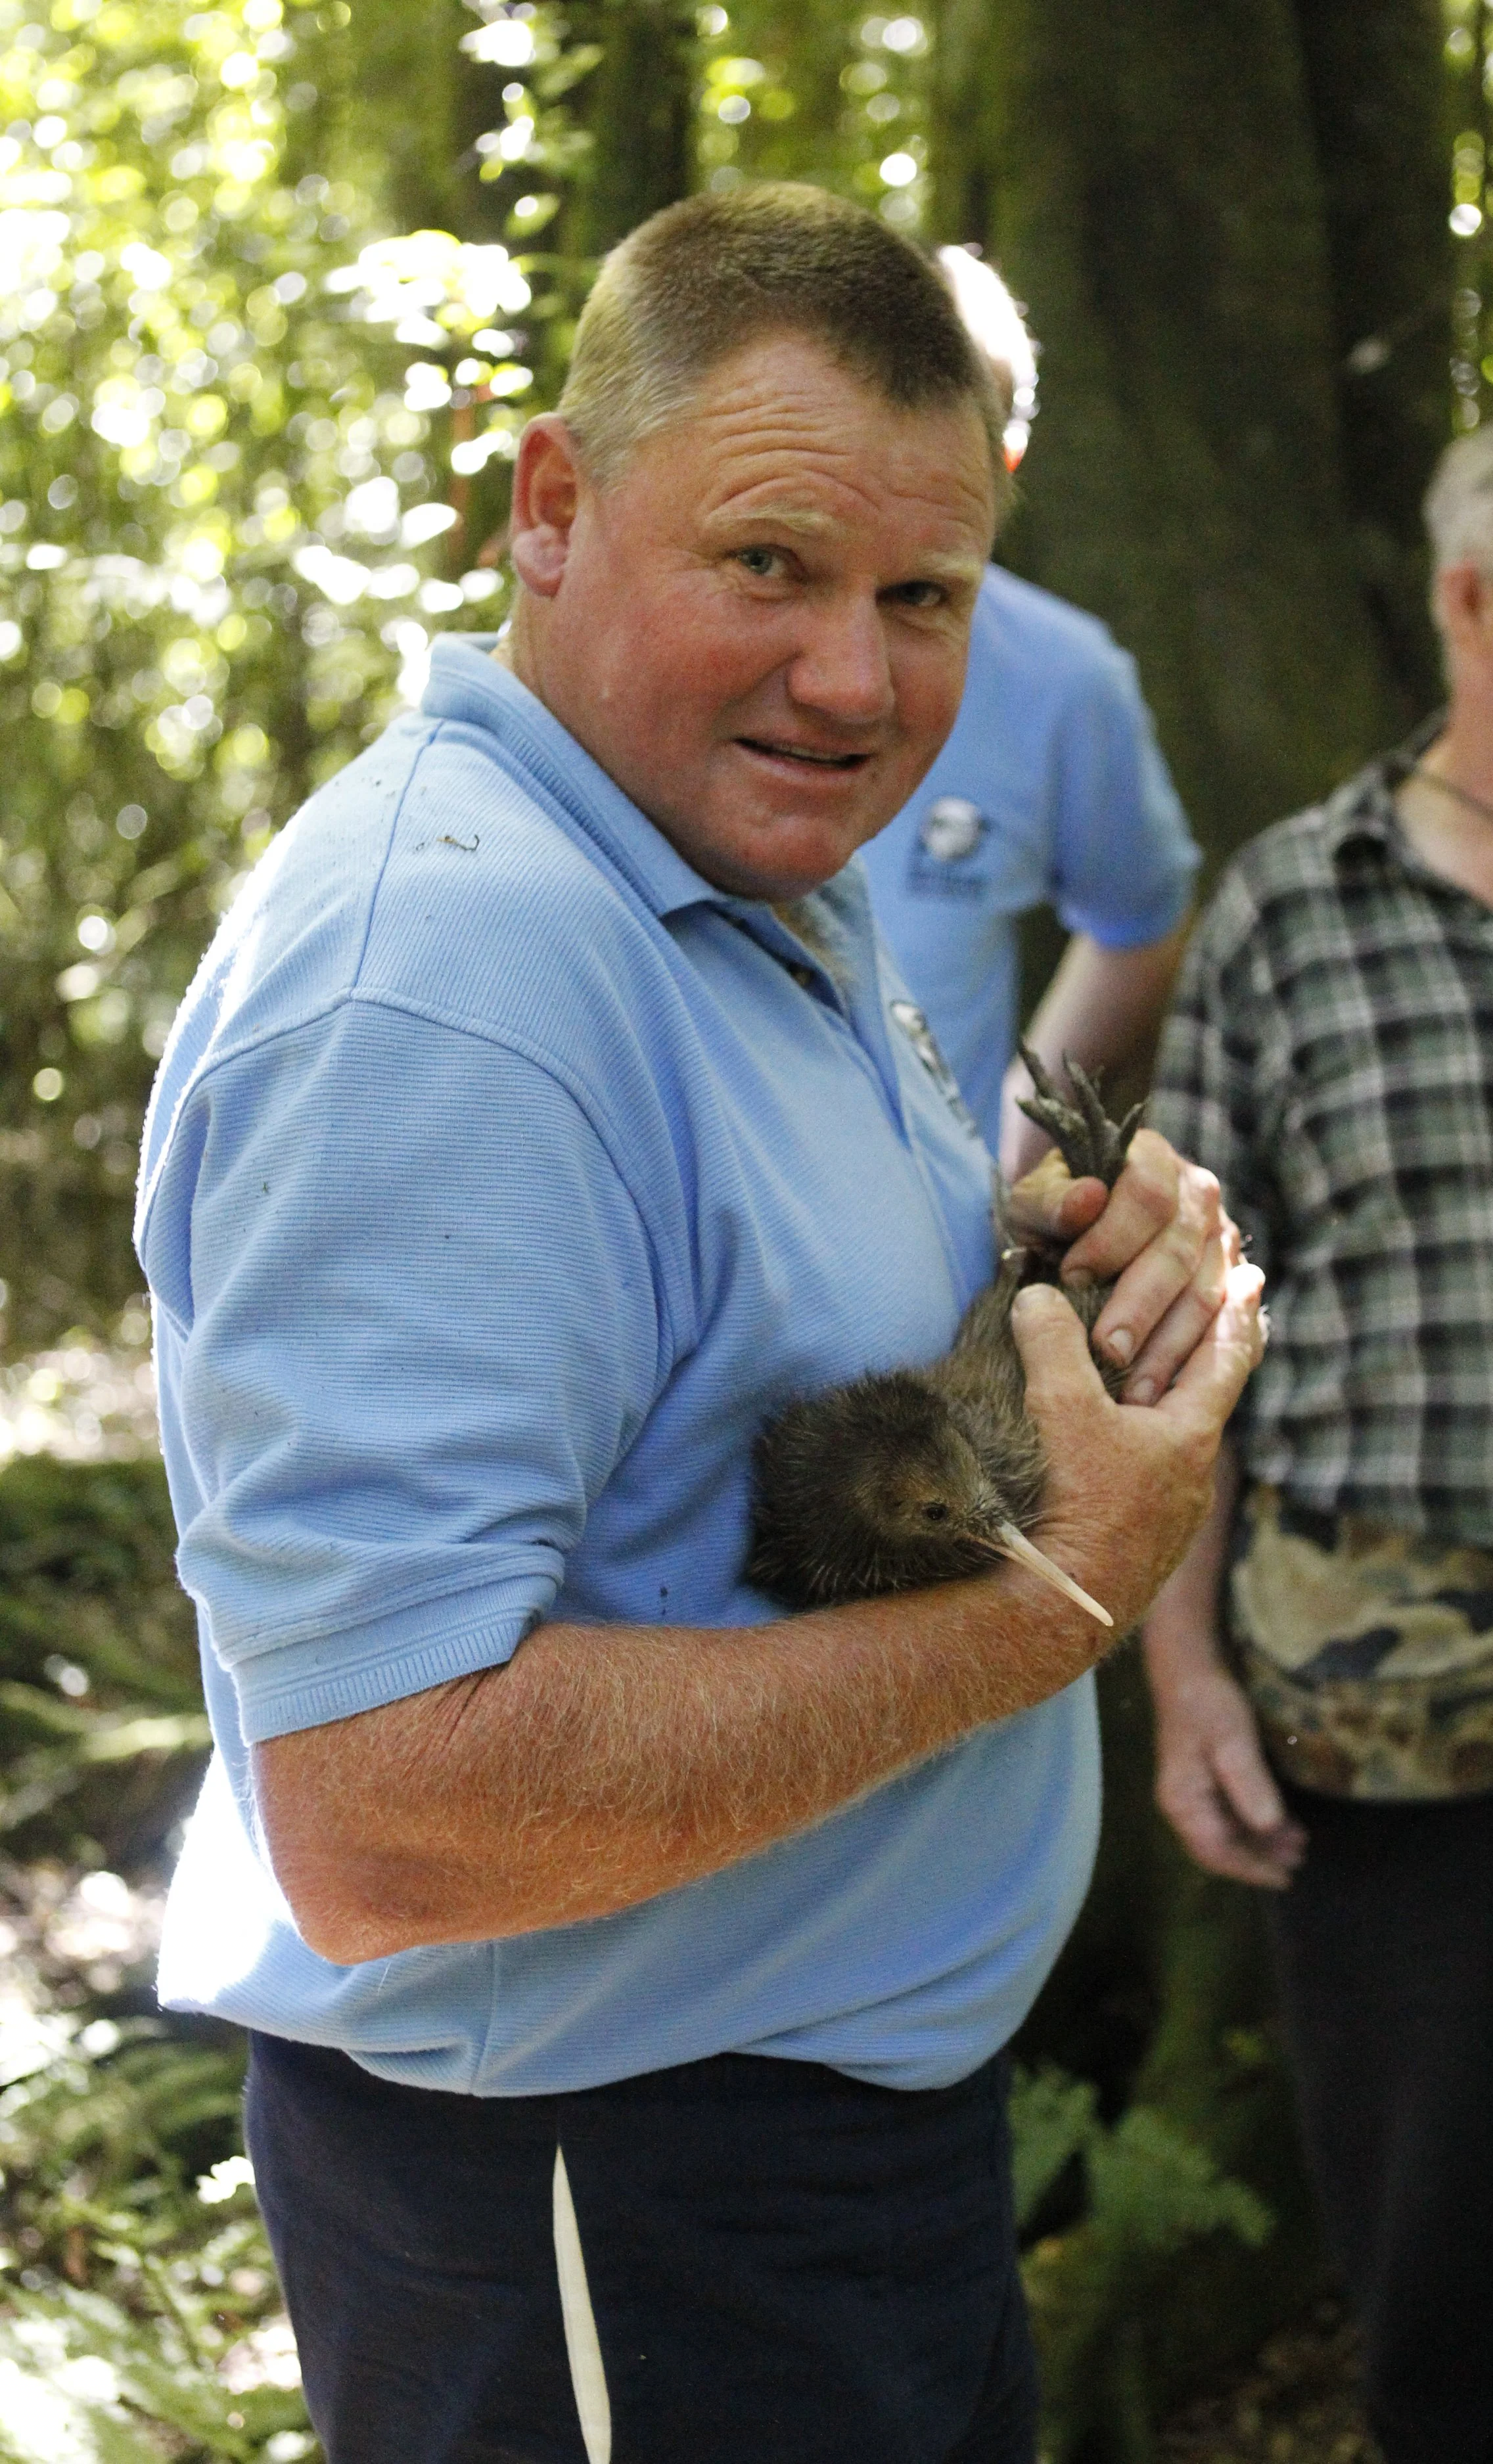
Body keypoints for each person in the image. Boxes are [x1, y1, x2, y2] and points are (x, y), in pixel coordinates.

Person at [138, 184, 1264, 2464]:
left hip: (816, 2180)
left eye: (922, 598)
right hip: (614, 2201)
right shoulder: (456, 982)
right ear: (554, 509)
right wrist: (1066, 1601)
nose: (857, 677)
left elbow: (727, 1399)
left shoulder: (733, 868)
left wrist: (1053, 1286)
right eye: (769, 565)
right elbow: (387, 1814)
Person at [1142, 388, 1493, 2464]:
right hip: (1382, 1731)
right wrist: (1179, 1682)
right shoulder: (1287, 912)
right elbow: (1162, 1343)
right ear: (1474, 604)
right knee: (1447, 2312)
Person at [856, 248, 1199, 1172]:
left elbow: (1141, 917)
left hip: (938, 1231)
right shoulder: (712, 635)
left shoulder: (1060, 674)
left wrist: (1022, 1119)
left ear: (1011, 453)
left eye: (975, 421)